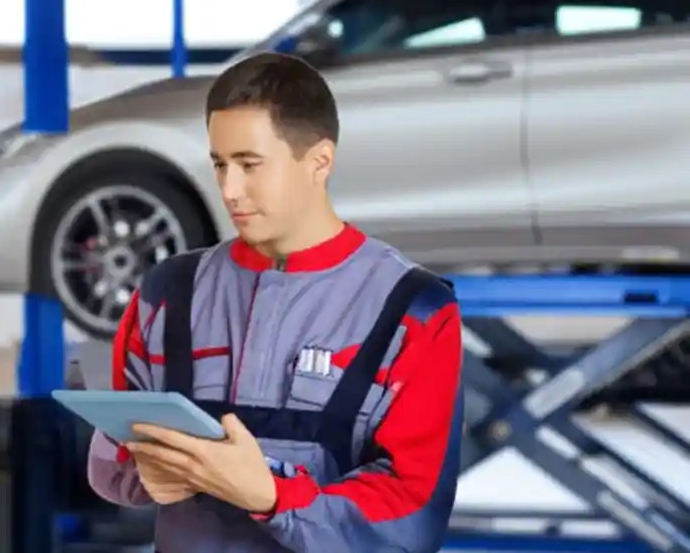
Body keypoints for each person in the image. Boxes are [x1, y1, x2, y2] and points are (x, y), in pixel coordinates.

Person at [86, 52, 464, 553]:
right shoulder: (166, 294)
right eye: (220, 164)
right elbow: (109, 459)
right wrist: (142, 470)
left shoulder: (414, 312)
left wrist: (271, 495)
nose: (229, 189)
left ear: (320, 161)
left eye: (249, 165)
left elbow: (412, 513)